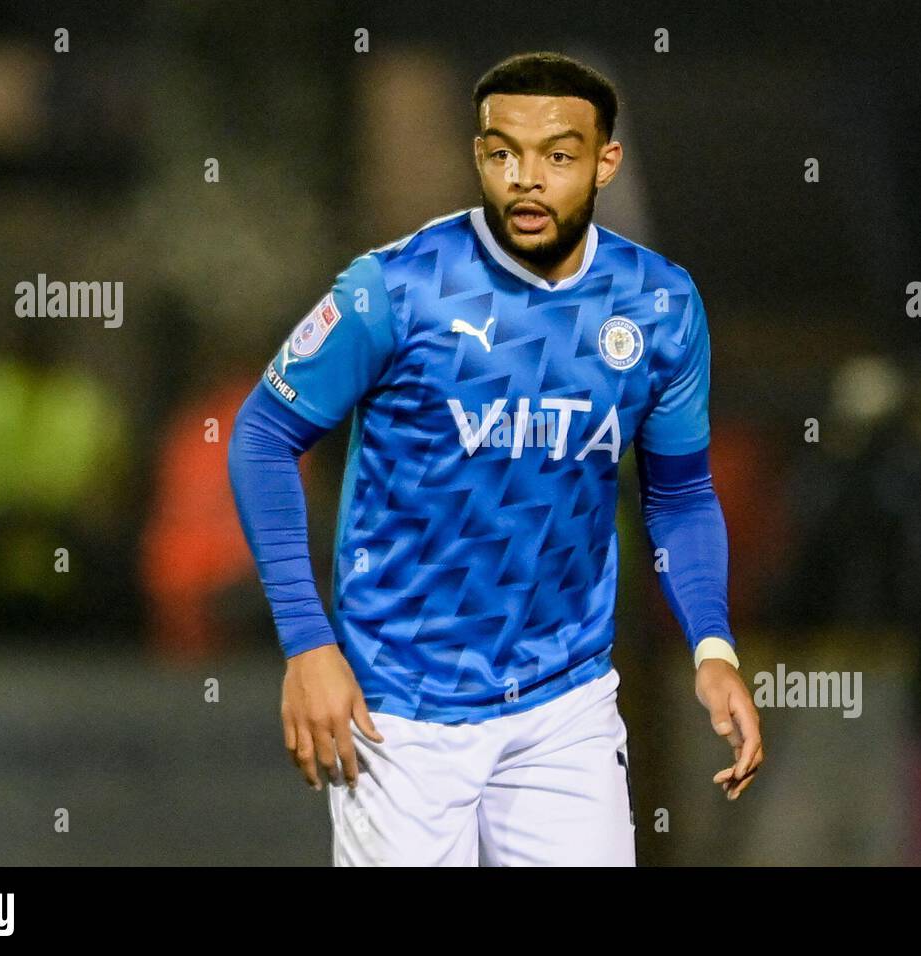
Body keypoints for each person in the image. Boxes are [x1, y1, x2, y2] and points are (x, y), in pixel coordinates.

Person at [227, 51, 761, 866]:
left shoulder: (658, 307)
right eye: (502, 151)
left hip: (566, 704)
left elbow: (680, 495)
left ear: (605, 162)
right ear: (480, 155)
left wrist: (712, 646)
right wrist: (307, 643)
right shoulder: (396, 291)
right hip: (400, 707)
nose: (526, 179)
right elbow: (263, 438)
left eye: (557, 155)